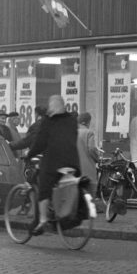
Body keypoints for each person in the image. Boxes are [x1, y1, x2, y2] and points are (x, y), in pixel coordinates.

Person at [25, 95, 80, 235]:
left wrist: (29, 154)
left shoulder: (47, 121)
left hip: (53, 162)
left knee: (44, 188)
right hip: (73, 162)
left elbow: (40, 143)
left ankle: (43, 219)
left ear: (52, 107)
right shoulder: (72, 120)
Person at [75, 112, 100, 183]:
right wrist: (98, 159)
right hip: (87, 171)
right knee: (90, 191)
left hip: (75, 172)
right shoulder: (89, 133)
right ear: (86, 122)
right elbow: (91, 149)